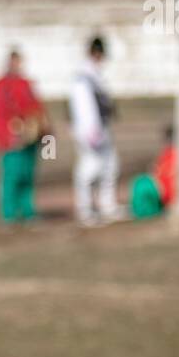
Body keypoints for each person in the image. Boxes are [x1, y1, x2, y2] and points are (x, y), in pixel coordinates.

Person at [0, 49, 49, 224]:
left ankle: (28, 211)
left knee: (28, 176)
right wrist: (6, 137)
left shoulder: (26, 84)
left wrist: (43, 131)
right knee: (12, 177)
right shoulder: (0, 86)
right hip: (12, 141)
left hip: (30, 139)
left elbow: (38, 108)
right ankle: (10, 214)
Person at [69, 36, 121, 227]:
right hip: (90, 131)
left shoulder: (95, 75)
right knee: (89, 169)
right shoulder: (83, 78)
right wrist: (92, 132)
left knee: (110, 166)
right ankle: (85, 210)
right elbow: (84, 109)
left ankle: (107, 206)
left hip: (101, 128)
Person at [130, 126, 177, 219]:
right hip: (160, 184)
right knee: (140, 182)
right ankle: (145, 211)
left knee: (143, 186)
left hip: (168, 188)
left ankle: (148, 211)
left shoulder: (175, 153)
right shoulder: (167, 152)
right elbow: (159, 169)